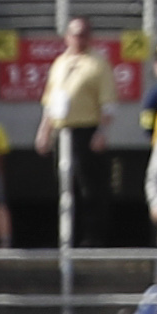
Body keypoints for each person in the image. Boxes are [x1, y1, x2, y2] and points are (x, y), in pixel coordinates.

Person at [40, 17, 115, 250]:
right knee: (66, 186)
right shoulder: (60, 63)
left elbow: (109, 104)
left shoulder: (98, 63)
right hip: (62, 132)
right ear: (67, 37)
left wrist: (102, 132)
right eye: (74, 34)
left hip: (87, 131)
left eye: (83, 34)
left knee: (89, 189)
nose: (78, 38)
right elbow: (50, 101)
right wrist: (44, 131)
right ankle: (67, 237)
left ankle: (92, 238)